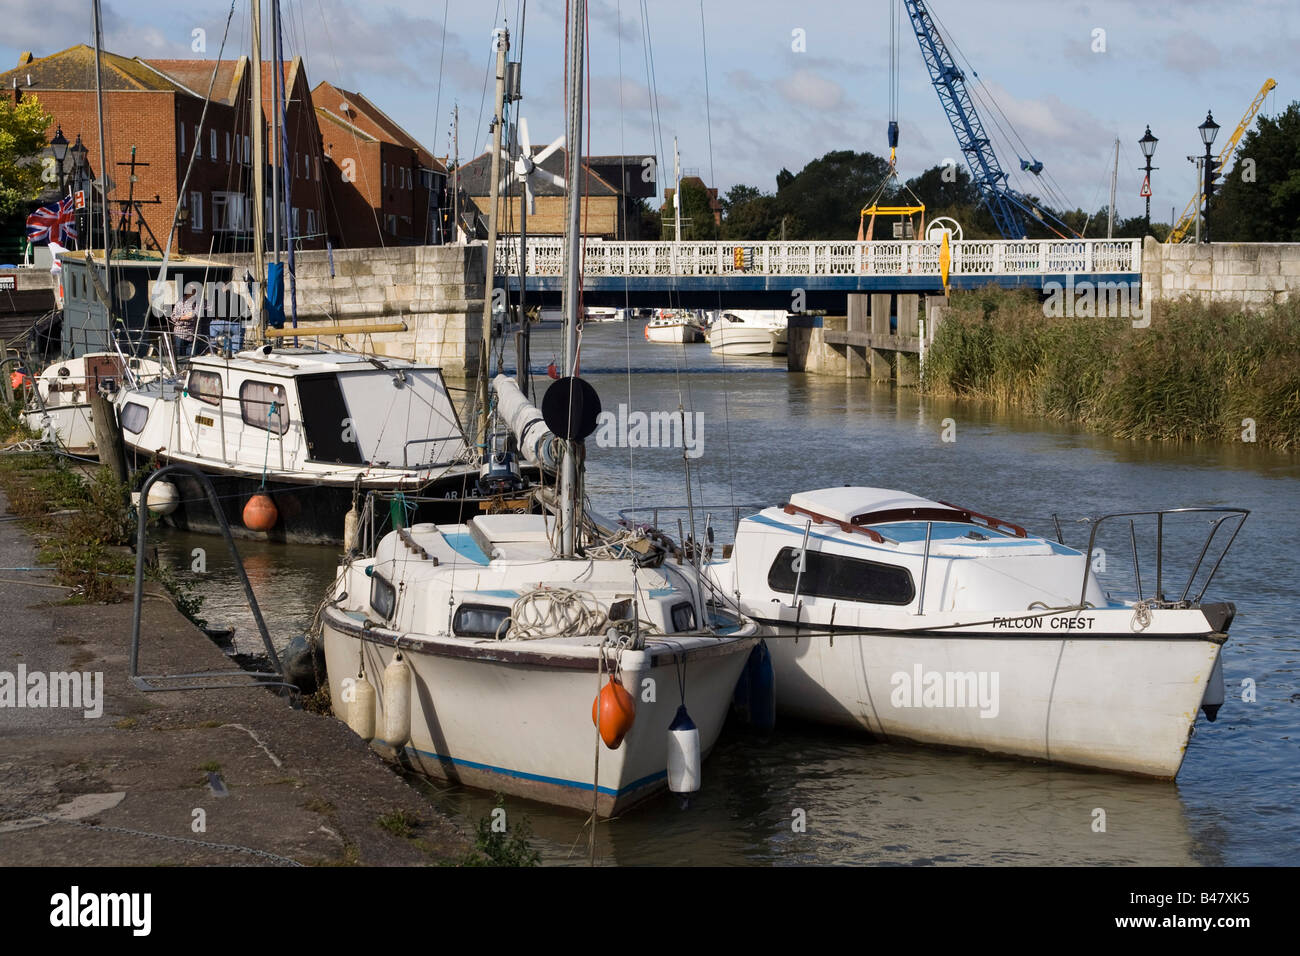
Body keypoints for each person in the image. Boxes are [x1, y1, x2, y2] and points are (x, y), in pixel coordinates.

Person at [170, 291, 200, 359]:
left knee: (192, 357)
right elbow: (173, 317)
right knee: (180, 357)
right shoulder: (180, 303)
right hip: (180, 333)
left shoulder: (197, 302)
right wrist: (184, 317)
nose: (194, 293)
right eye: (193, 291)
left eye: (195, 291)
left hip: (192, 333)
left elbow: (195, 314)